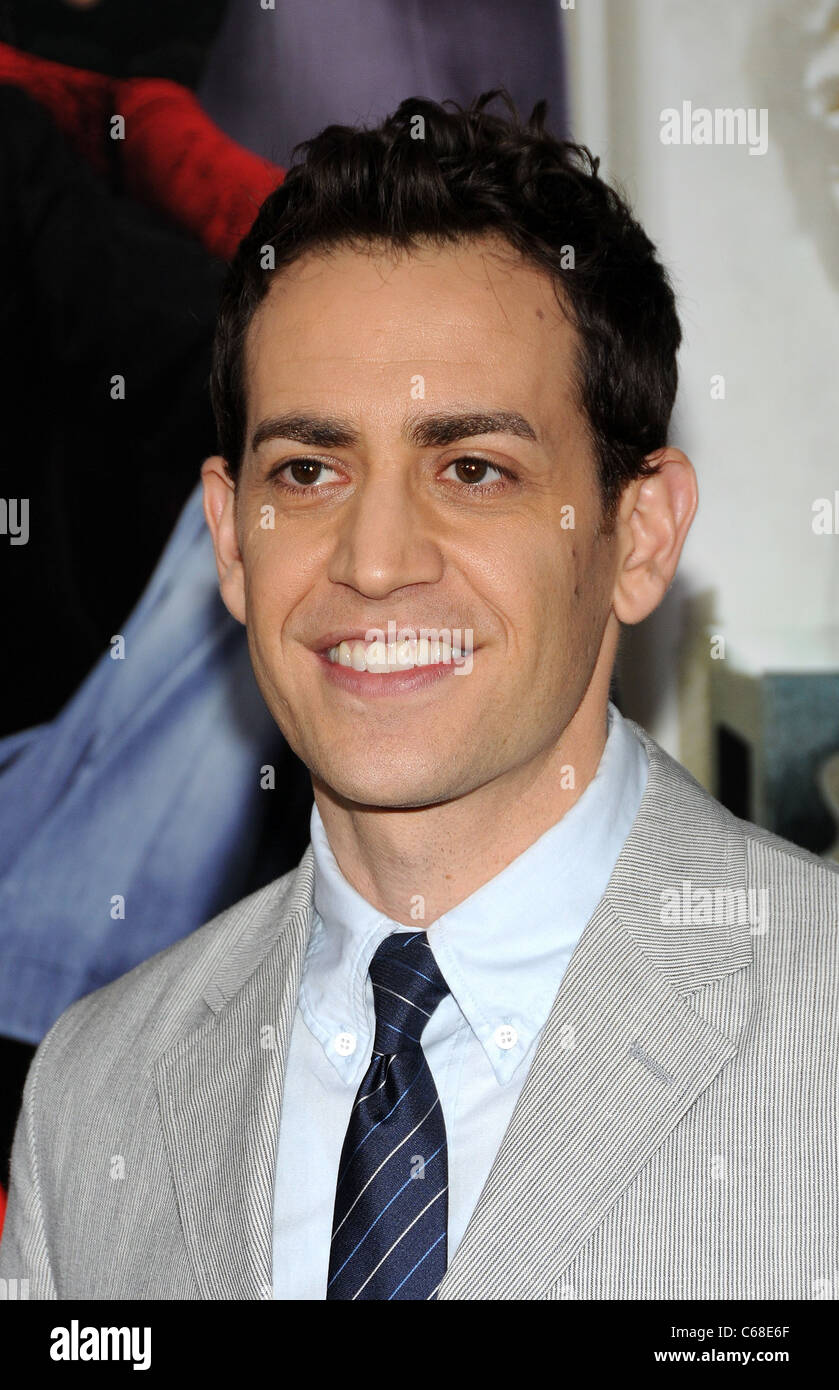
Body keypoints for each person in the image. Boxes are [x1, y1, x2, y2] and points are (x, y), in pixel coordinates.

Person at [1, 90, 837, 1301]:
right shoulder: (94, 1091)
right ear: (230, 542)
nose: (375, 557)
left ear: (638, 533)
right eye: (308, 468)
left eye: (472, 467)